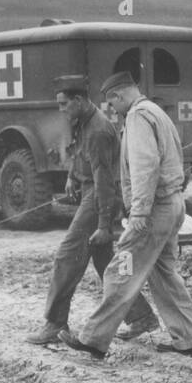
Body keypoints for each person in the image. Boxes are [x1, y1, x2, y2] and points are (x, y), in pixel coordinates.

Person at [57, 71, 192, 361]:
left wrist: (139, 212)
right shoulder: (156, 112)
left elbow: (145, 166)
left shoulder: (138, 117)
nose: (113, 110)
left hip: (152, 213)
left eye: (113, 104)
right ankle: (190, 340)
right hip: (172, 204)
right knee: (165, 275)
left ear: (118, 95)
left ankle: (93, 340)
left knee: (120, 271)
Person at [26, 75, 159, 346]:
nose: (61, 110)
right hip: (92, 190)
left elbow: (104, 180)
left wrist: (103, 225)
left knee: (67, 256)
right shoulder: (83, 120)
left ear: (78, 100)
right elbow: (78, 152)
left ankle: (55, 323)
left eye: (64, 104)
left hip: (100, 195)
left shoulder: (98, 130)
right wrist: (71, 176)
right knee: (105, 262)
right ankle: (141, 316)